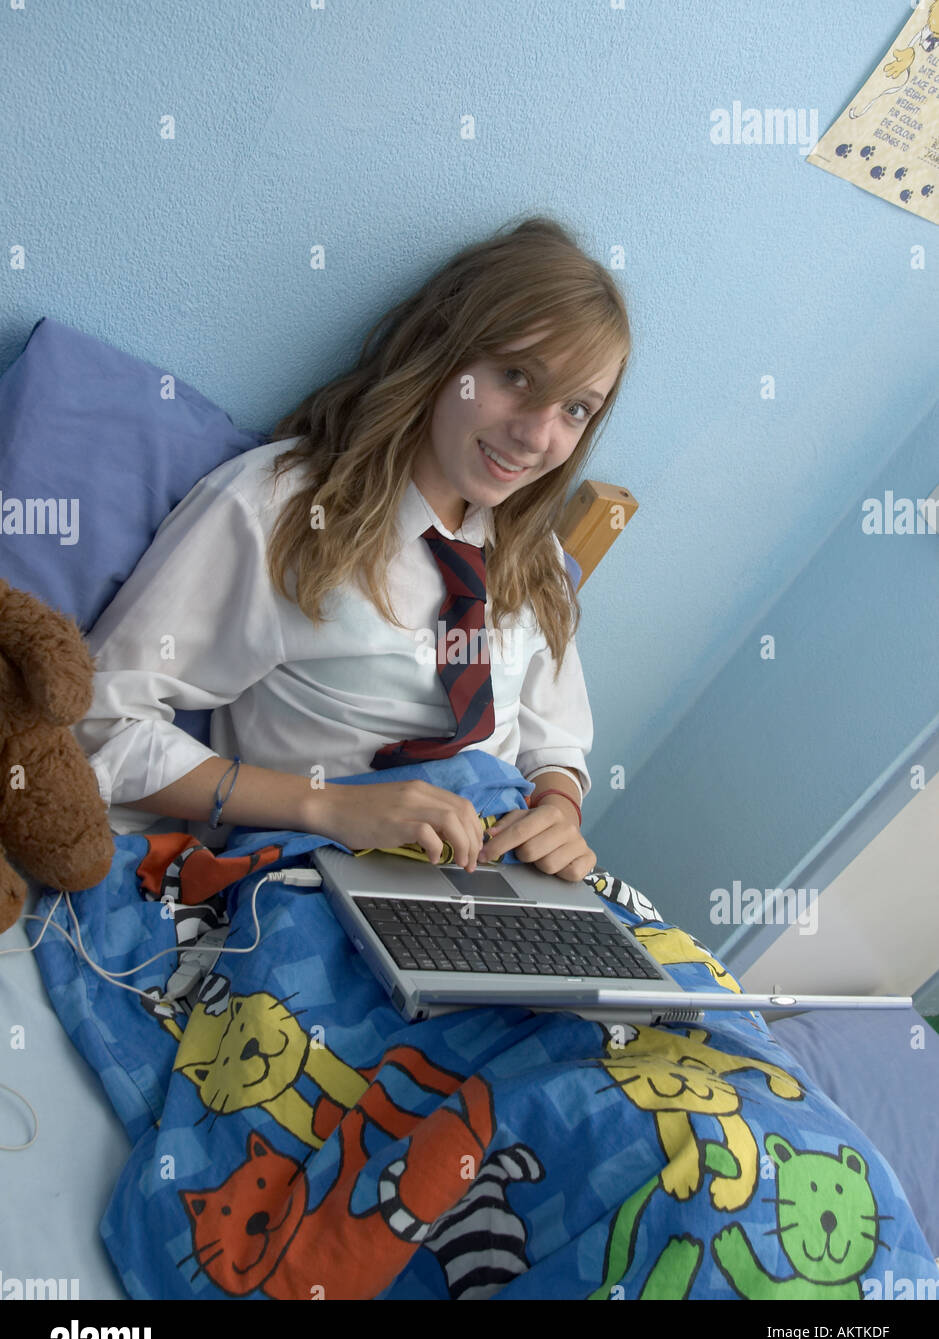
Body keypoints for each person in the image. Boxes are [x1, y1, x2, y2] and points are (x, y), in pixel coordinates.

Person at [72, 215, 631, 883]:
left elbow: (554, 740)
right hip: (314, 868)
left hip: (497, 874)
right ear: (442, 353)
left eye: (575, 409)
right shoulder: (278, 509)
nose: (536, 437)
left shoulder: (530, 551)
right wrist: (332, 808)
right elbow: (100, 725)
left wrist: (559, 810)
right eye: (516, 377)